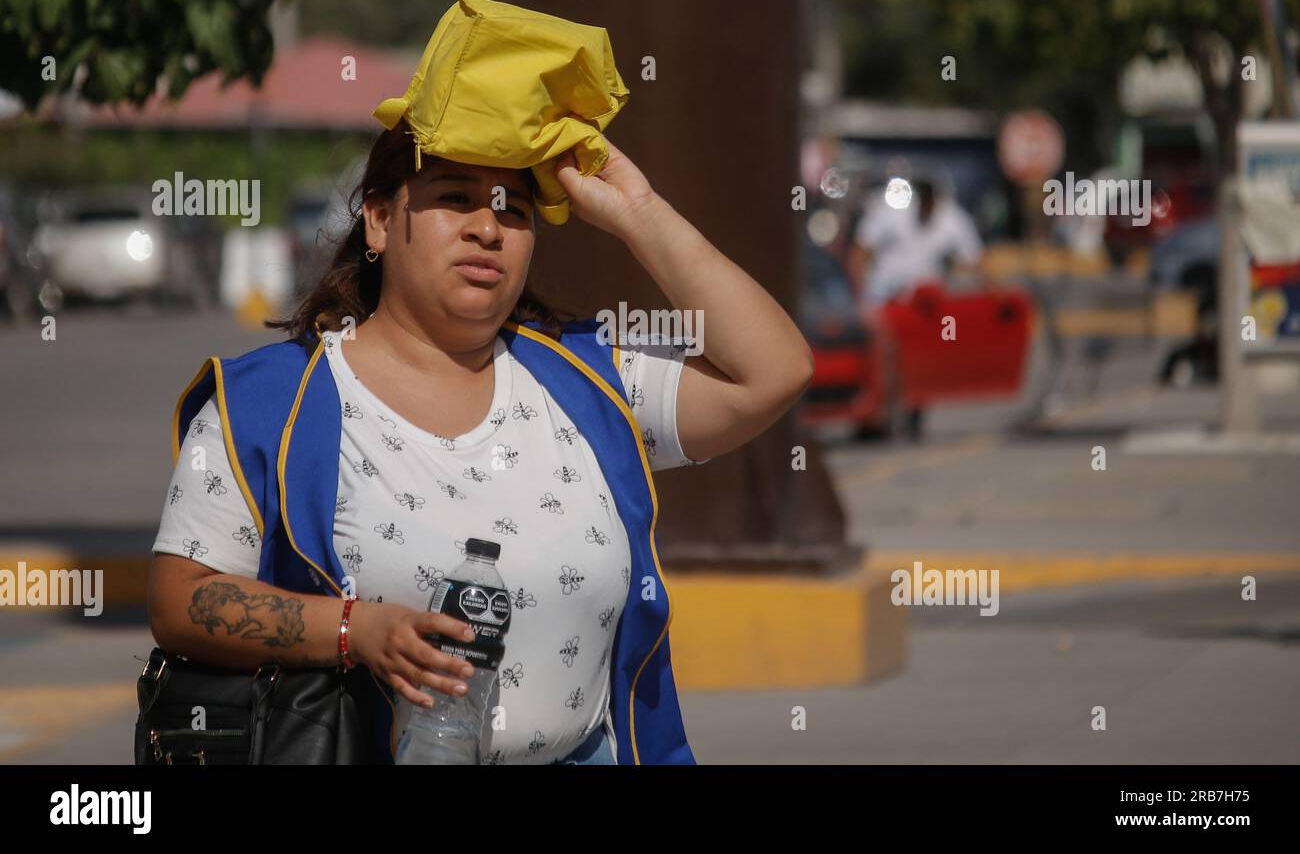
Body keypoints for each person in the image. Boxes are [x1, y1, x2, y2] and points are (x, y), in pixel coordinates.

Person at [146, 125, 814, 765]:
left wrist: (638, 210)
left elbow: (773, 371)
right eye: (454, 198)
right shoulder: (271, 402)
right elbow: (181, 601)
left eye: (514, 210)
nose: (487, 228)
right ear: (379, 221)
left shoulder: (589, 382)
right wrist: (355, 630)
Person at [846, 177, 986, 314]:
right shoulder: (889, 210)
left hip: (929, 303)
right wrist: (861, 298)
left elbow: (974, 261)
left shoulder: (953, 217)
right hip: (884, 295)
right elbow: (859, 253)